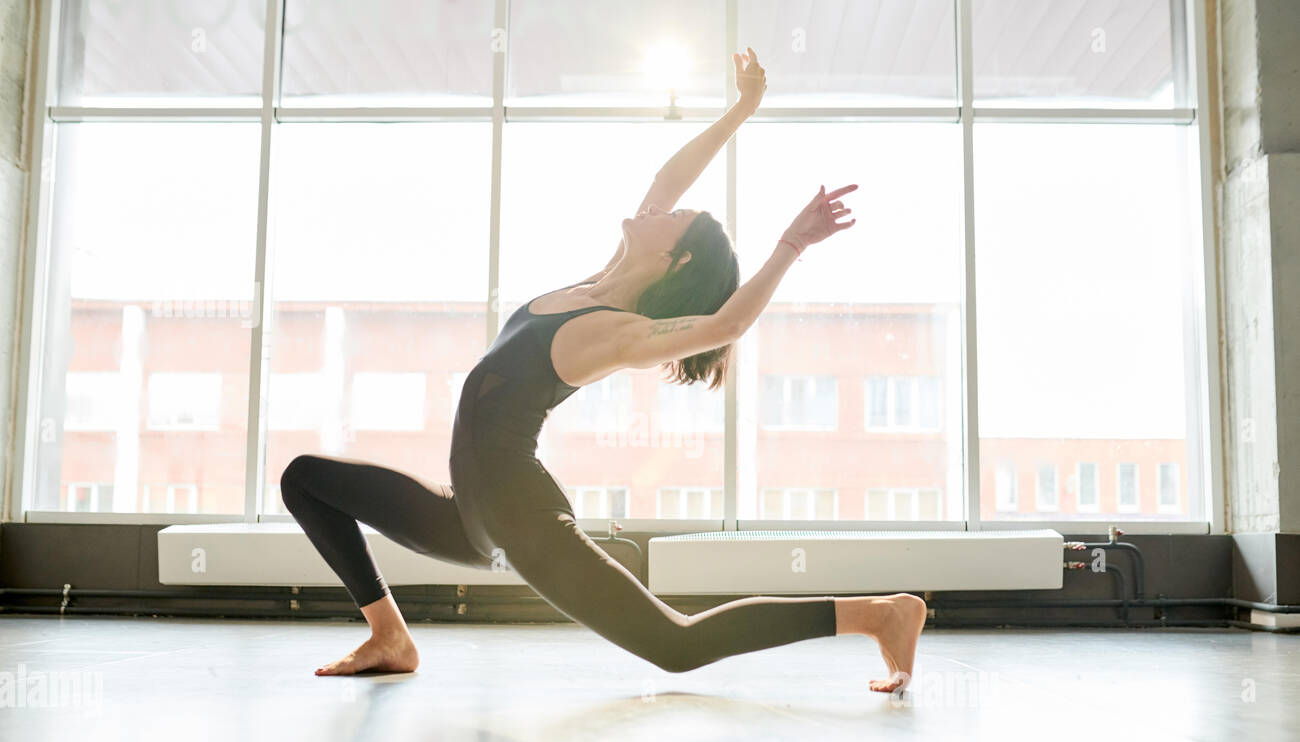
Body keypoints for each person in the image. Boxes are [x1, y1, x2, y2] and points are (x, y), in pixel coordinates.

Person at [279, 48, 925, 692]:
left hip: (521, 518)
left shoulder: (615, 333)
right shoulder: (597, 282)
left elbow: (724, 326)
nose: (658, 207)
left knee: (677, 644)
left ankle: (879, 614)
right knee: (305, 480)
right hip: (467, 511)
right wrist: (741, 110)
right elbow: (669, 178)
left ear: (675, 262)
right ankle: (390, 636)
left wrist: (790, 245)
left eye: (673, 219)